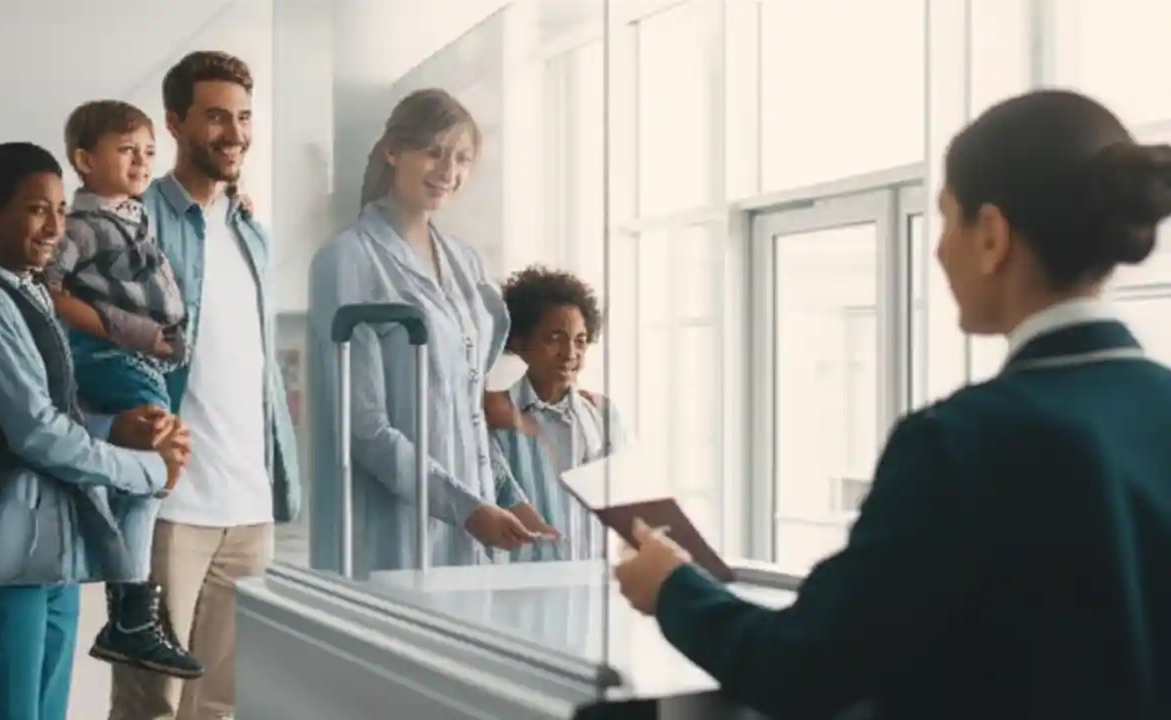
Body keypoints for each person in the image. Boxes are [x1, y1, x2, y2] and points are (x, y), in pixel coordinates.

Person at [615, 89, 1171, 719]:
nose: (937, 251)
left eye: (945, 218)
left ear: (991, 235)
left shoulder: (963, 442)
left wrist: (672, 589)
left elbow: (802, 668)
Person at [0, 141, 190, 720]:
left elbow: (63, 416)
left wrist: (120, 430)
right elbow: (36, 433)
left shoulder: (30, 298)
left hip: (54, 555)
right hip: (10, 554)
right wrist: (146, 470)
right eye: (36, 209)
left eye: (60, 209)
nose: (56, 225)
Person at [107, 51, 301, 720]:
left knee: (220, 706)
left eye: (244, 117)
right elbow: (92, 350)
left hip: (249, 508)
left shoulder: (254, 234)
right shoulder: (134, 224)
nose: (235, 133)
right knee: (149, 703)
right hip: (169, 510)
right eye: (216, 116)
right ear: (175, 121)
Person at [309, 87, 550, 577]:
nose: (448, 171)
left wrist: (507, 496)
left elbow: (467, 412)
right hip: (395, 535)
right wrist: (466, 508)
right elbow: (365, 428)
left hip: (471, 531)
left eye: (462, 158)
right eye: (433, 152)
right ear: (393, 151)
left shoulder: (463, 262)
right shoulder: (349, 259)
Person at [46, 99, 201, 679]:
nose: (141, 161)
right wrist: (128, 329)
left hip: (146, 362)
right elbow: (47, 288)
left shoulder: (133, 215)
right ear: (85, 161)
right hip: (110, 355)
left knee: (148, 466)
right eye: (126, 150)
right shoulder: (80, 225)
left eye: (148, 151)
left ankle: (129, 612)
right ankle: (131, 612)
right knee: (156, 461)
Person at [487, 265, 623, 562]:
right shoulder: (495, 416)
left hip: (589, 577)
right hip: (519, 583)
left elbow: (624, 506)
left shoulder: (603, 415)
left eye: (580, 340)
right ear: (520, 343)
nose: (570, 353)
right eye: (554, 338)